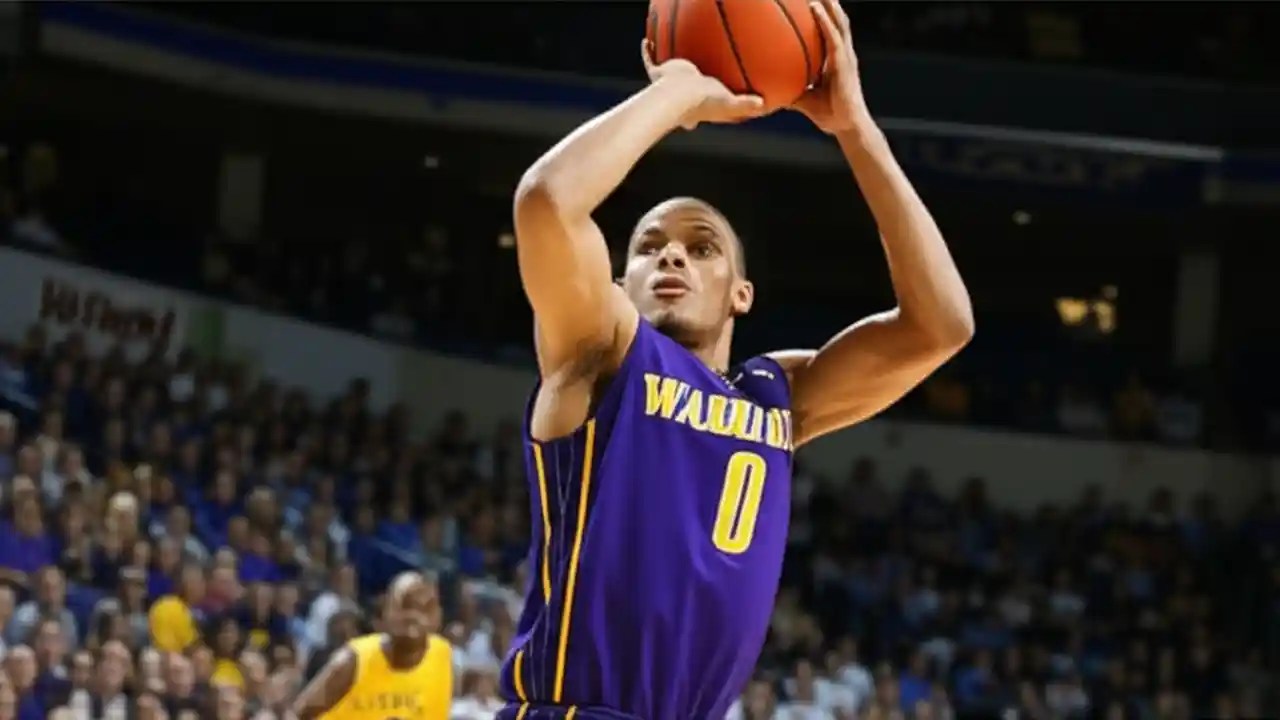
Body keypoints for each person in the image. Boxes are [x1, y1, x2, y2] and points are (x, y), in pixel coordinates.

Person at [497, 1, 973, 719]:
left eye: (702, 245)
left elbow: (941, 326)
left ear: (741, 293)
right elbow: (546, 203)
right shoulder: (602, 354)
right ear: (618, 282)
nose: (673, 254)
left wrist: (856, 131)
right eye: (650, 246)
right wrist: (678, 92)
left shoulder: (776, 395)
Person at [291, 572, 453, 719]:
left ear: (438, 616)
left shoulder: (442, 655)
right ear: (386, 611)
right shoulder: (352, 661)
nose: (414, 616)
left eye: (426, 608)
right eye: (405, 606)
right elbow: (296, 715)